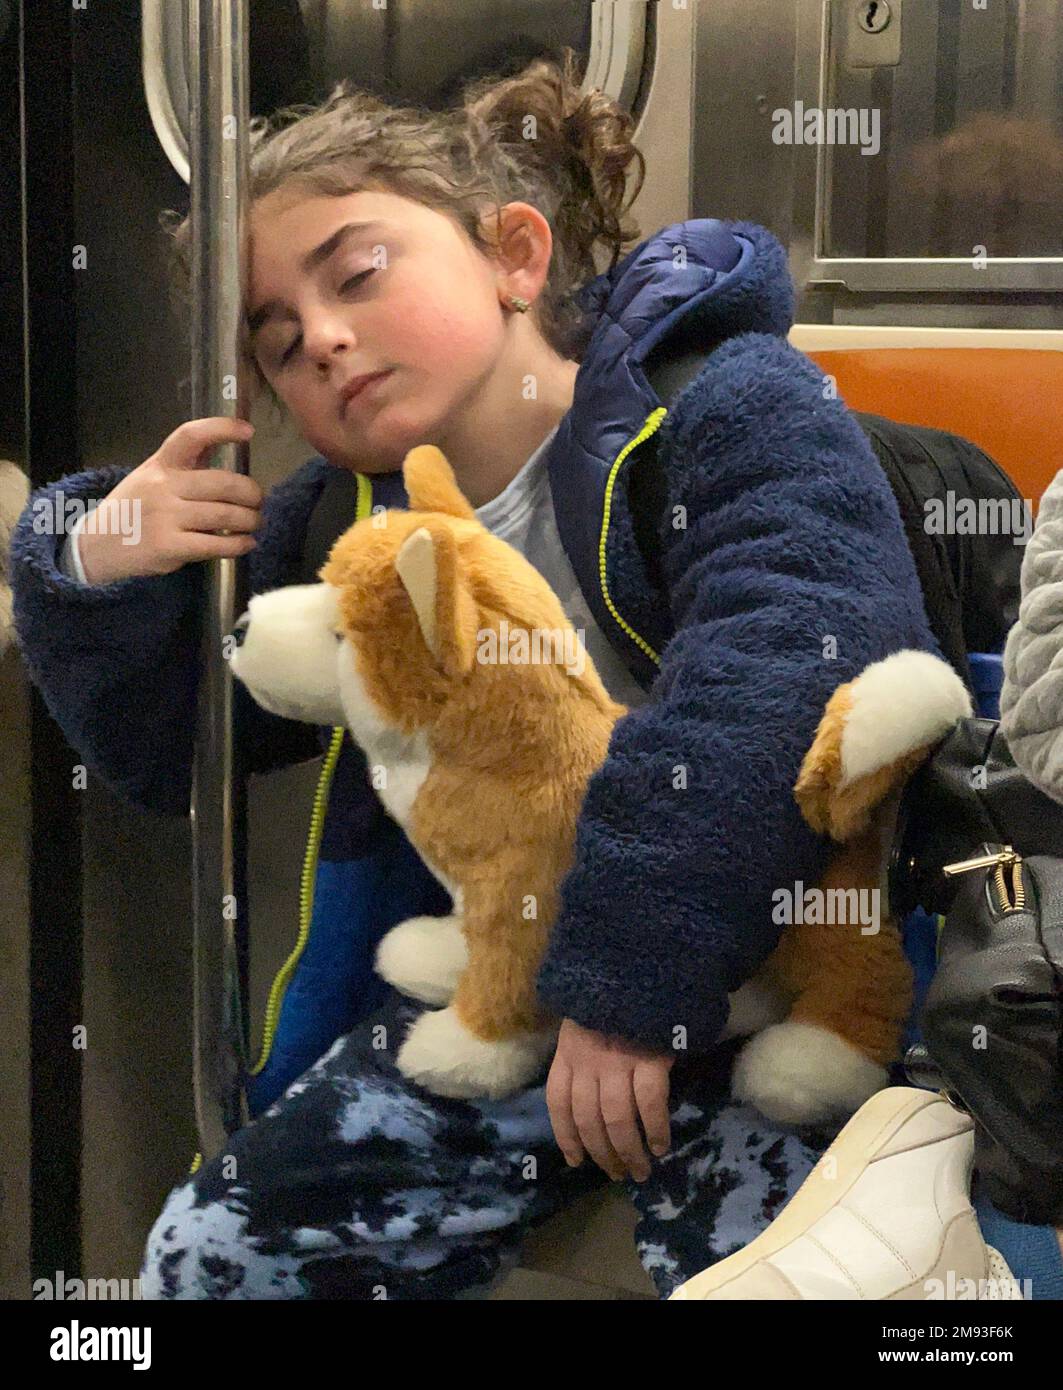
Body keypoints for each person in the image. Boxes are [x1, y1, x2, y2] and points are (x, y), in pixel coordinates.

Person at [10, 52, 1054, 1300]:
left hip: (799, 980)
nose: (326, 340)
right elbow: (171, 743)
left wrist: (624, 988)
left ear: (514, 253)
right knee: (214, 1256)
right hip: (525, 988)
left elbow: (783, 669)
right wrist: (88, 558)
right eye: (278, 344)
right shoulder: (344, 520)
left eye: (356, 274)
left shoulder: (726, 407)